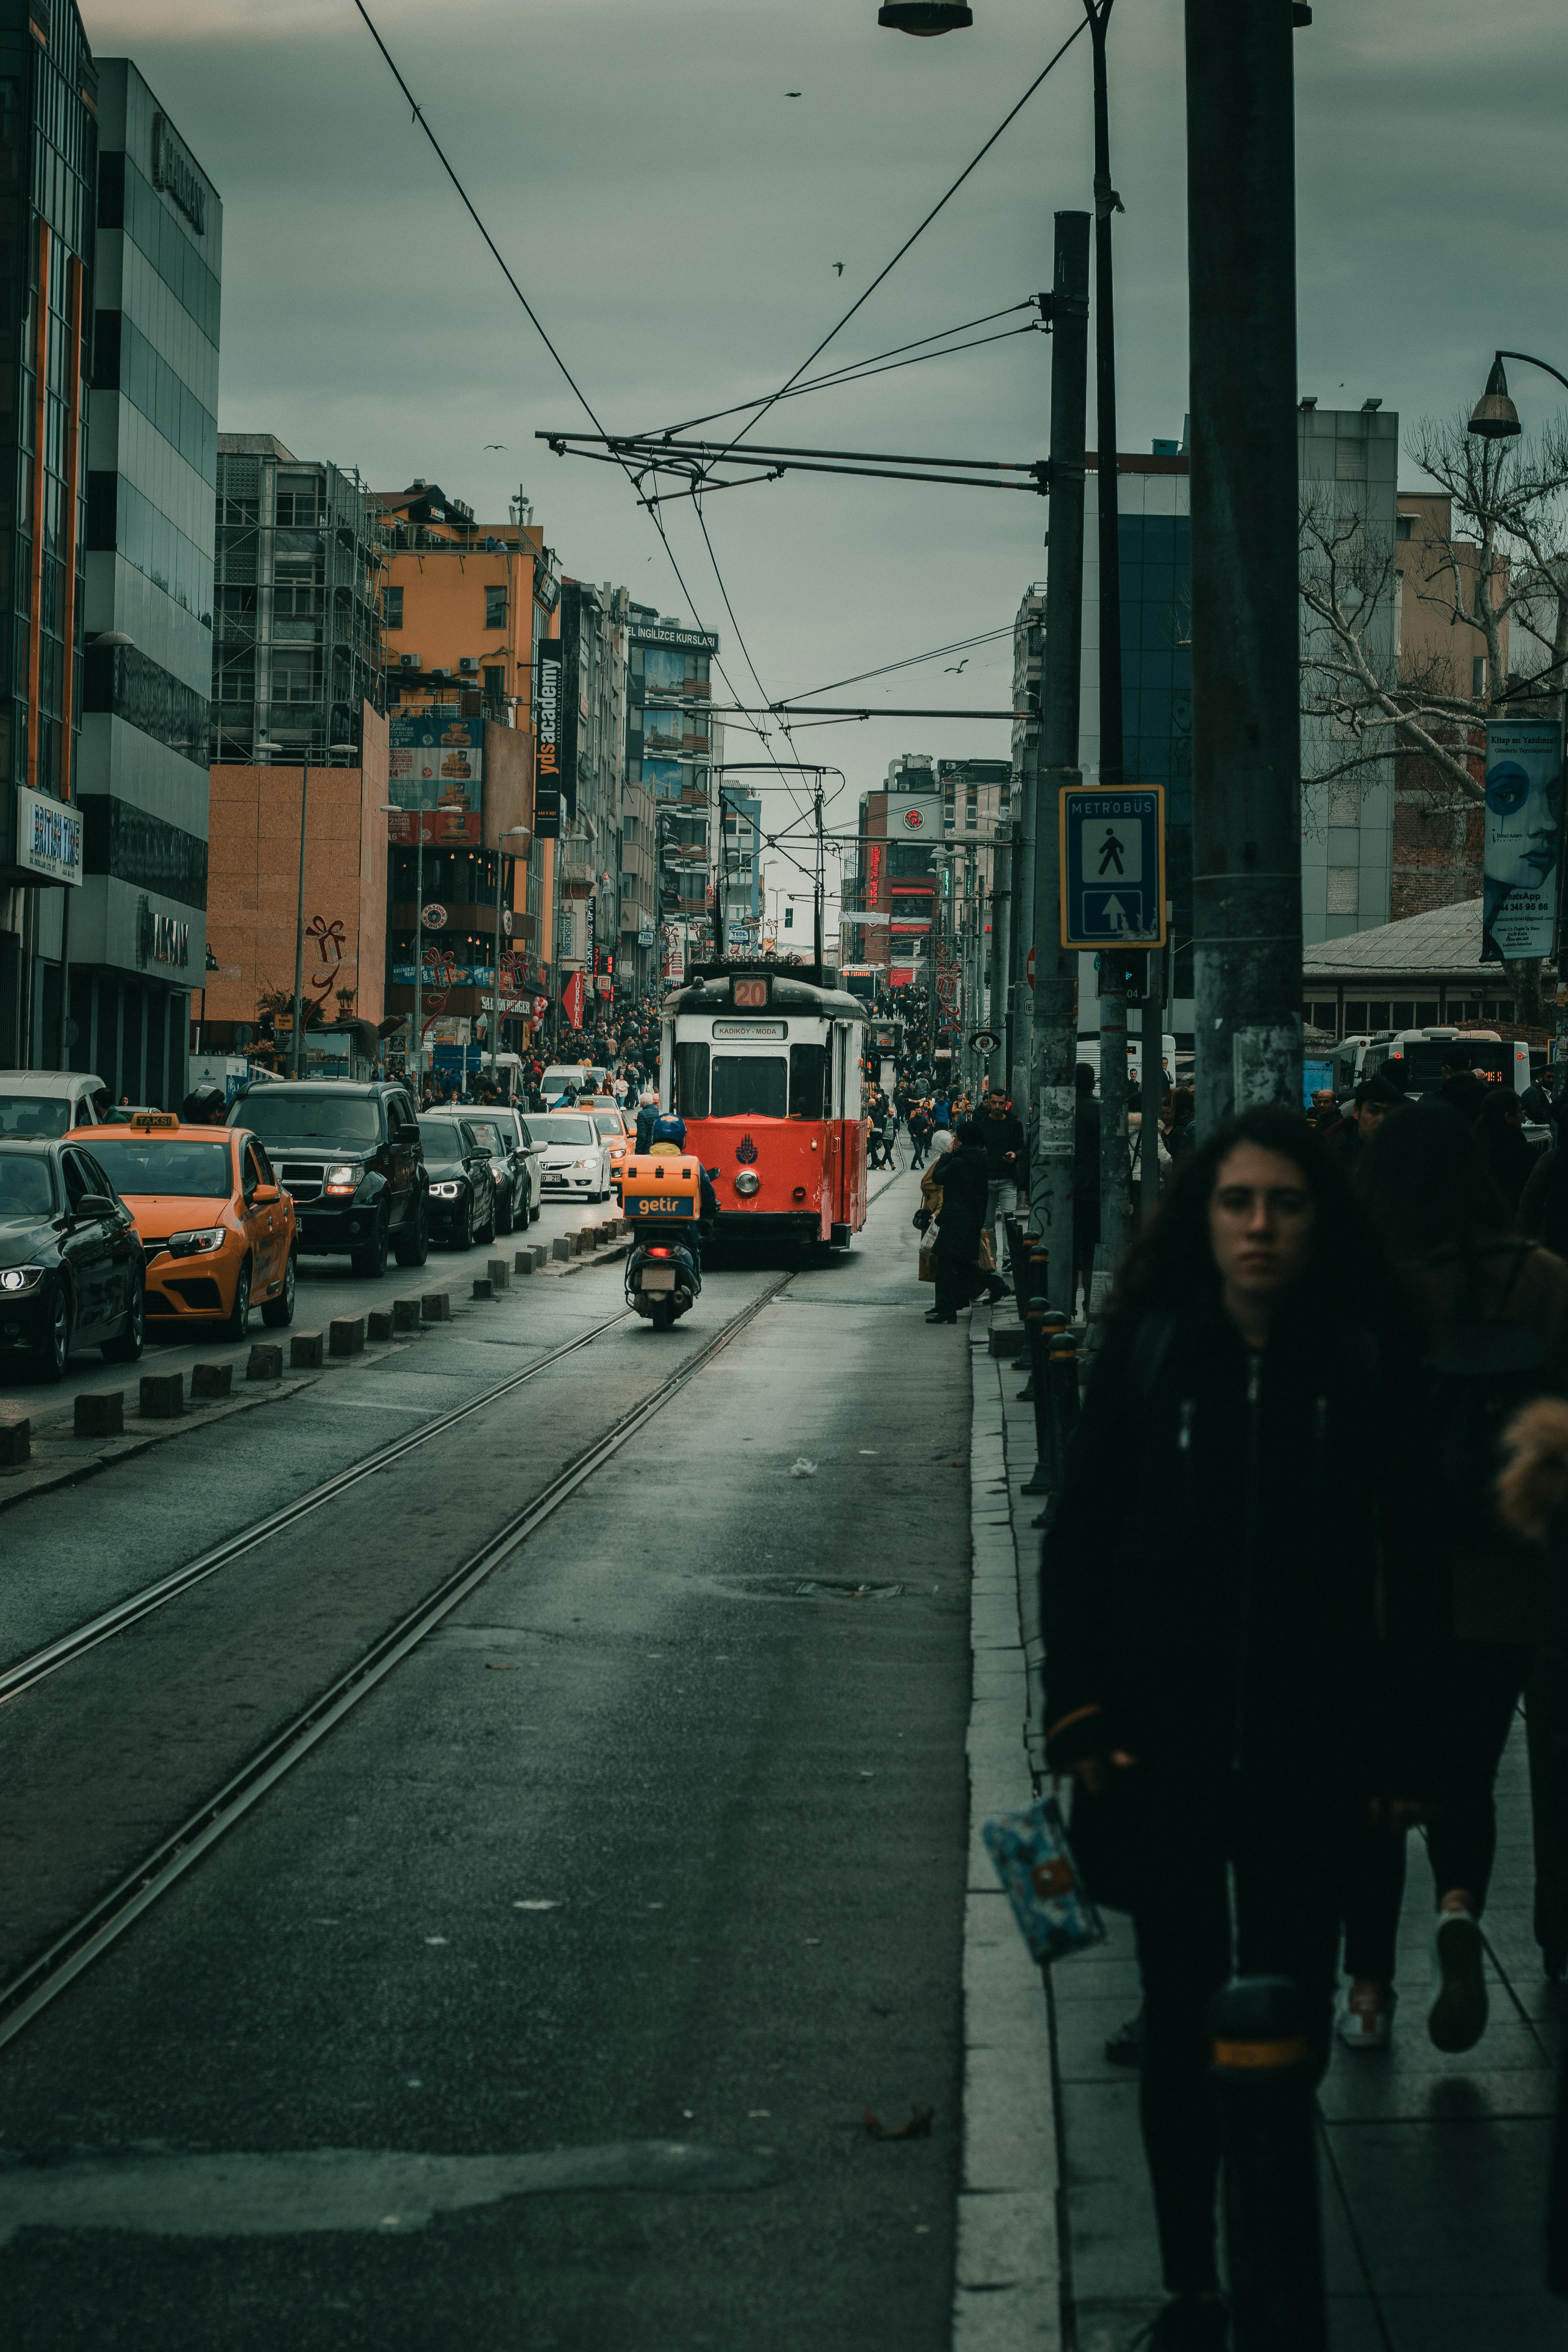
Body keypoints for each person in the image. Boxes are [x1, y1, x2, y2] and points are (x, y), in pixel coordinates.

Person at [1042, 1107, 1441, 2349]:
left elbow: (1414, 1561)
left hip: (1309, 1747)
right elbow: (1080, 1537)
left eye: (1284, 1202)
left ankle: (1271, 2246)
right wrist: (1081, 1707)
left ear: (1318, 1220)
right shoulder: (1155, 1350)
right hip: (1156, 1744)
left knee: (1286, 2005)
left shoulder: (1362, 1357)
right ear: (1204, 1218)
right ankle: (1190, 2276)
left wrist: (1401, 1743)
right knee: (1177, 2008)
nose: (1259, 1225)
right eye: (1236, 1202)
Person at [1343, 1097, 1568, 2051]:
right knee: (1467, 1771)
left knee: (1373, 1788)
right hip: (1508, 1580)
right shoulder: (1548, 1282)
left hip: (1391, 1579)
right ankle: (1459, 1910)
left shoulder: (1368, 1285)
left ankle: (1367, 1991)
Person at [926, 1122, 992, 1324]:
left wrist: (947, 1155)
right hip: (970, 1218)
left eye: (956, 1137)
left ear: (961, 1141)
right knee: (959, 1263)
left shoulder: (961, 1162)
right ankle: (949, 1310)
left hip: (956, 1219)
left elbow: (939, 1177)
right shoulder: (979, 1158)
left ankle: (948, 1311)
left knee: (947, 1263)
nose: (953, 1140)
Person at [1474, 1085, 1541, 1212]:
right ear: (1508, 1117)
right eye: (1520, 1112)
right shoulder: (1525, 1153)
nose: (1523, 1117)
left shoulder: (1474, 1147)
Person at [1319, 1071, 1401, 1170]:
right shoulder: (1329, 1148)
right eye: (1374, 1111)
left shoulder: (1404, 1151)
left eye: (1389, 1112)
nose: (1382, 1119)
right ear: (1357, 1112)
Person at [1071, 1063, 1100, 1318]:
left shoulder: (1062, 1110)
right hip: (1094, 1193)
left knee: (1067, 1252)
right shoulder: (1101, 1111)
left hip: (1064, 1193)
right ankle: (1091, 1305)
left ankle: (1064, 1304)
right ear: (1093, 1083)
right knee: (1092, 1253)